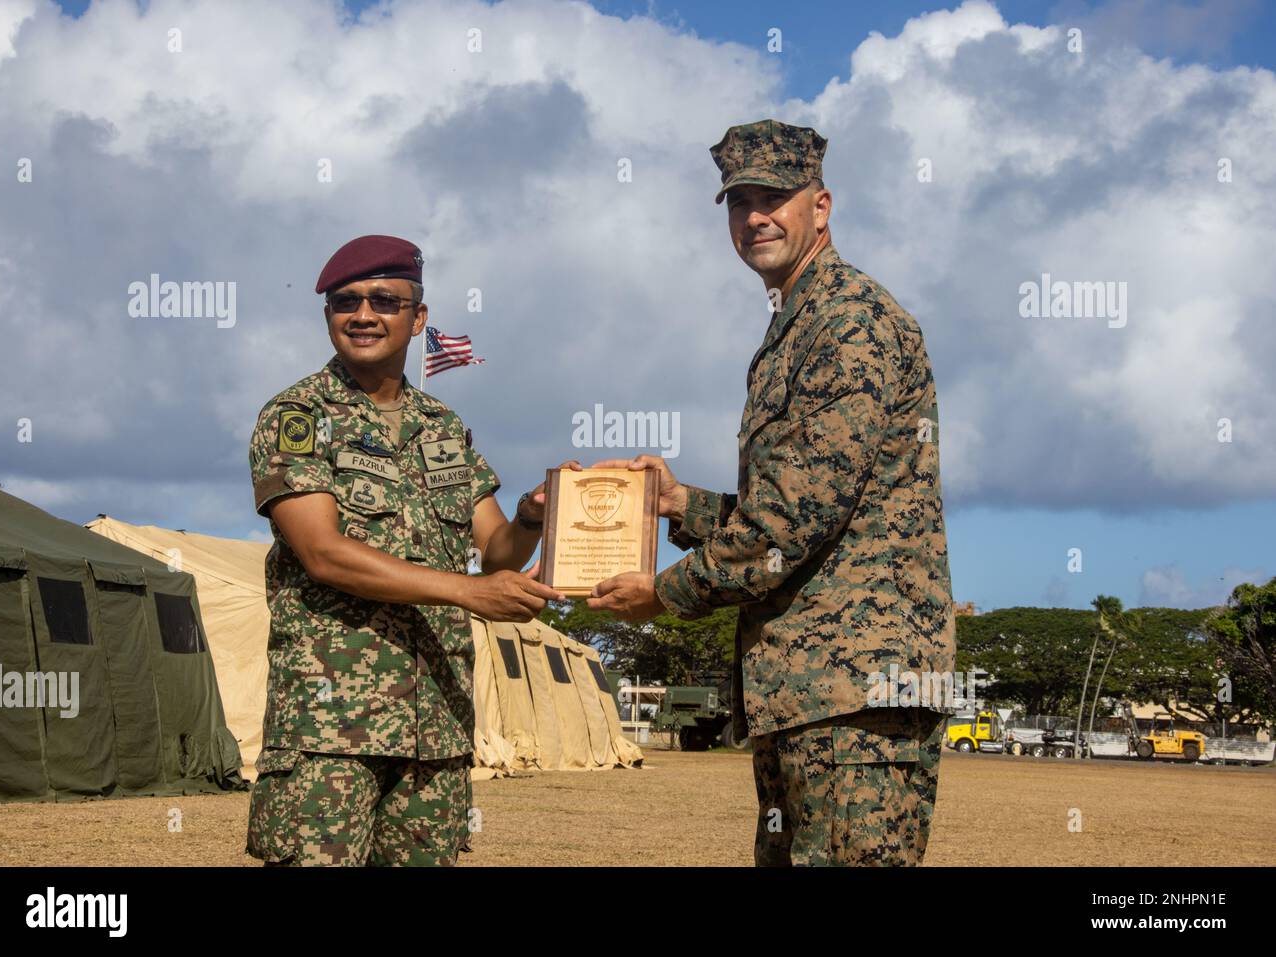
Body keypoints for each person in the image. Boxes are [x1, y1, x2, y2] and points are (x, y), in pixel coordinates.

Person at [588, 121, 956, 866]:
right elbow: (796, 507)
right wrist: (677, 504)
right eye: (738, 201)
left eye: (774, 198)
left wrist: (665, 592)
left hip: (854, 697)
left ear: (820, 206)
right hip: (811, 692)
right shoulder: (800, 321)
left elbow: (792, 517)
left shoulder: (850, 321)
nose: (754, 216)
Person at [245, 234, 572, 866]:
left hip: (436, 725)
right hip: (330, 727)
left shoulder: (443, 429)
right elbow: (323, 553)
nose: (363, 314)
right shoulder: (298, 416)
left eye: (384, 300)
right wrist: (470, 592)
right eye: (346, 301)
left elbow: (496, 552)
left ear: (417, 319)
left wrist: (532, 517)